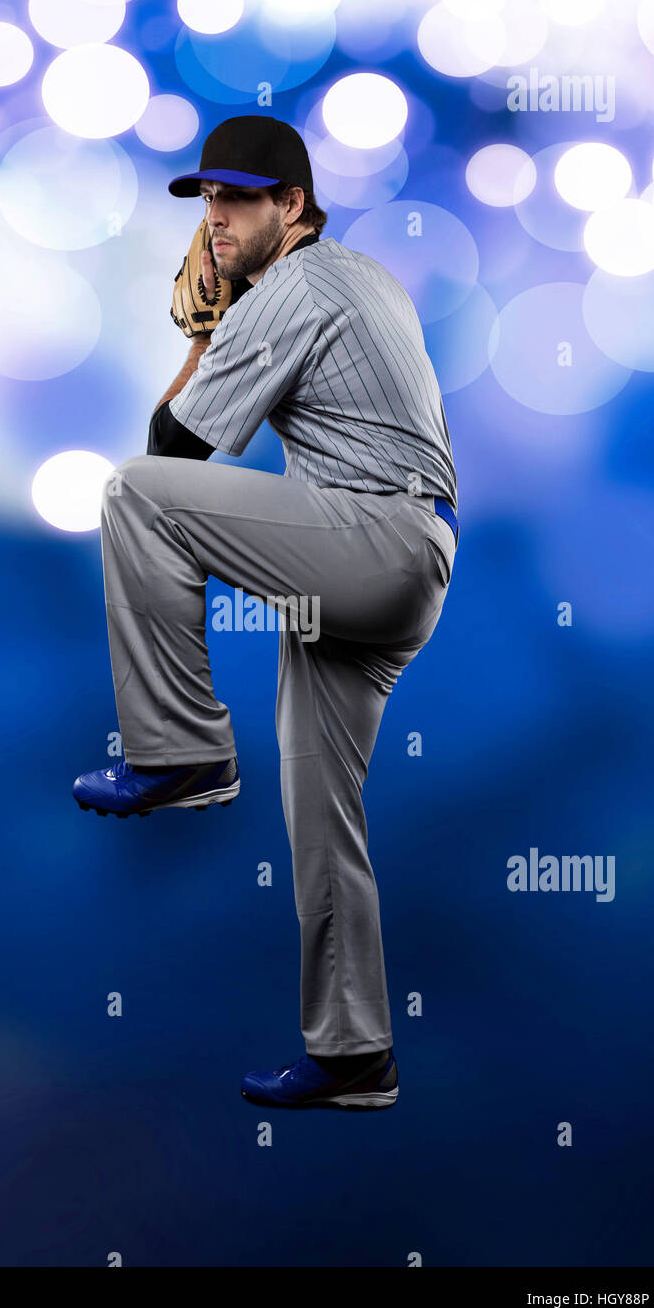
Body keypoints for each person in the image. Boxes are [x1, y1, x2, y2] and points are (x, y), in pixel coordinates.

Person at [73, 115, 459, 1110]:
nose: (215, 219)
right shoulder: (355, 277)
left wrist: (205, 332)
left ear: (293, 205)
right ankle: (353, 1054)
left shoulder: (301, 281)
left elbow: (173, 452)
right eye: (206, 198)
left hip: (369, 541)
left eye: (238, 198)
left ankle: (178, 749)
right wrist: (219, 327)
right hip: (389, 555)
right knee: (319, 811)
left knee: (131, 492)